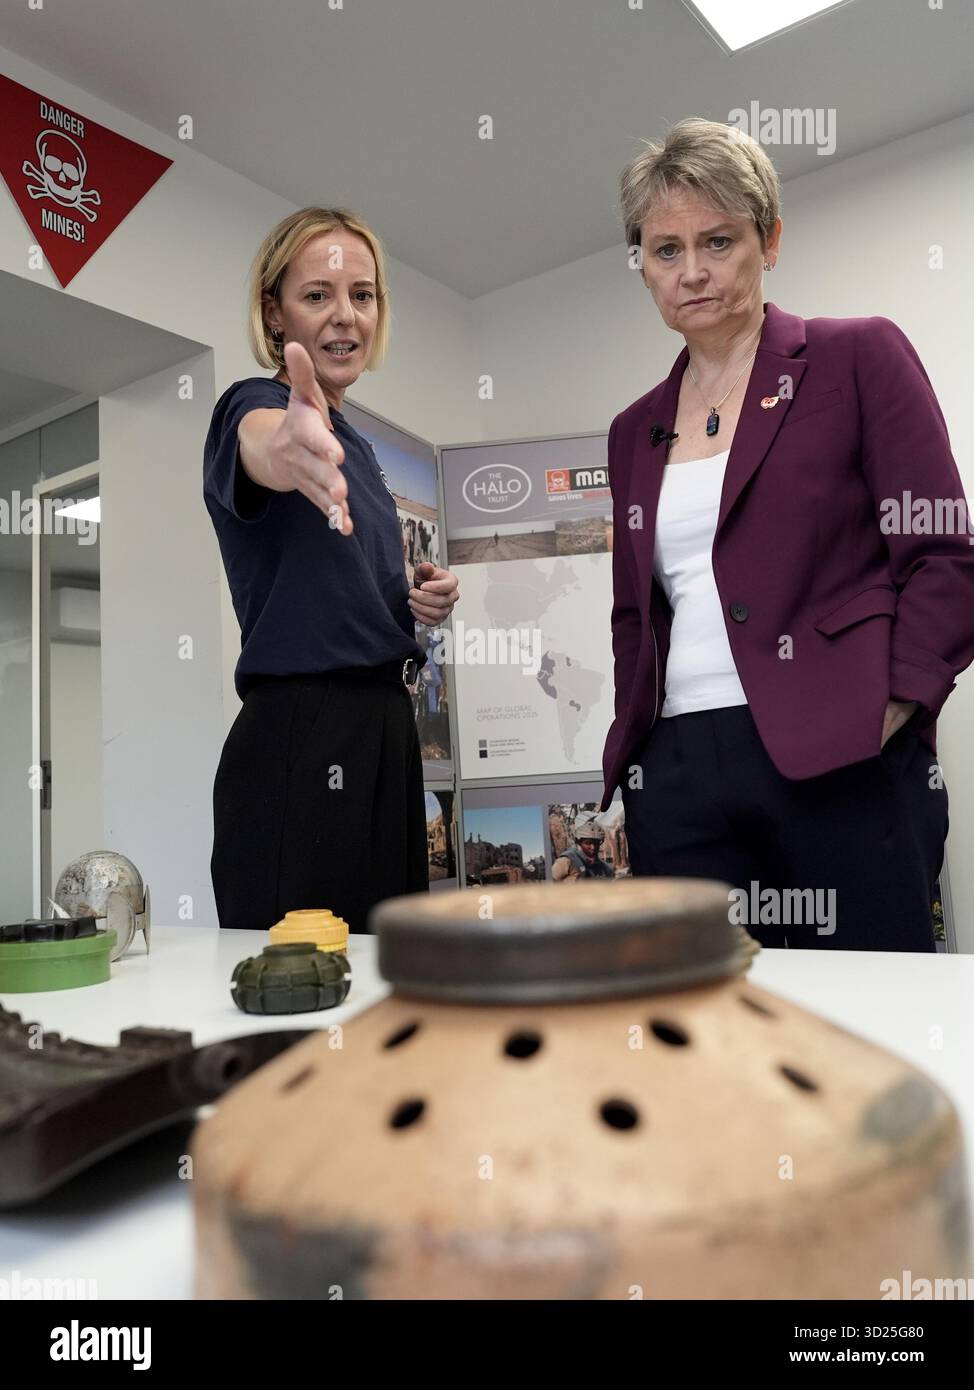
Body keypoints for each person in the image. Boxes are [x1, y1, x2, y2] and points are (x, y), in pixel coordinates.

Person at [601, 118, 974, 951]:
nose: (692, 272)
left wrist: (893, 705)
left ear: (769, 240)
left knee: (863, 1027)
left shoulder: (855, 357)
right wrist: (637, 760)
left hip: (838, 753)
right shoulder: (633, 430)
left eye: (718, 241)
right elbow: (636, 615)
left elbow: (944, 555)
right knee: (700, 1036)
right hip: (677, 771)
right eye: (665, 251)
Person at [203, 207, 460, 932]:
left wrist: (418, 600)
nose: (345, 316)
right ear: (273, 313)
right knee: (296, 987)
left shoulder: (362, 451)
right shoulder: (253, 405)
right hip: (305, 734)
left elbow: (344, 589)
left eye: (363, 295)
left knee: (383, 980)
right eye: (316, 295)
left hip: (384, 731)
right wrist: (286, 446)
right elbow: (266, 446)